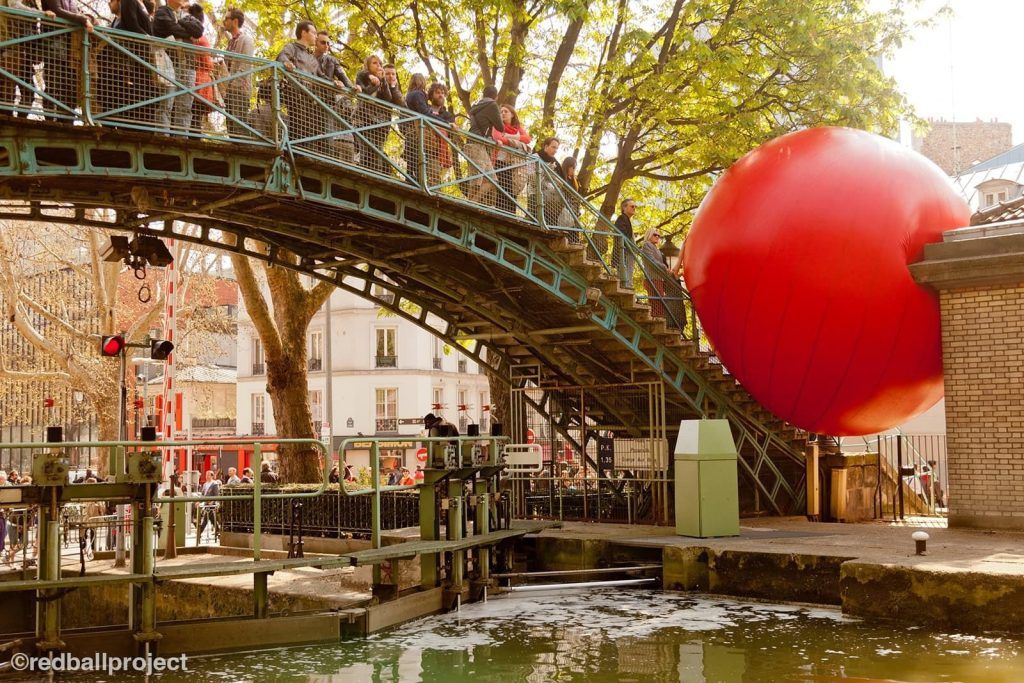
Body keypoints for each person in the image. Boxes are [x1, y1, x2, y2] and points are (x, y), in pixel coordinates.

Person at [152, 0, 203, 131]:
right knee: (166, 104)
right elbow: (171, 28)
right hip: (169, 65)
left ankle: (182, 141)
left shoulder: (186, 15)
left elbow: (199, 30)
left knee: (185, 107)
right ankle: (163, 141)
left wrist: (181, 22)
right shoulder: (162, 12)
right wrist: (188, 31)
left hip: (188, 66)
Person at [40, 0, 93, 120]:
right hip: (54, 44)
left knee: (70, 86)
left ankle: (66, 118)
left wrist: (89, 18)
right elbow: (58, 11)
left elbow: (76, 12)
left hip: (70, 50)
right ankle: (48, 119)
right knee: (54, 83)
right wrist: (83, 19)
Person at [0, 0, 54, 116]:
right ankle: (7, 118)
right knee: (8, 87)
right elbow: (14, 6)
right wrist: (40, 13)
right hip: (8, 45)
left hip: (19, 47)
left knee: (26, 89)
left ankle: (16, 119)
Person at [277, 20, 321, 152]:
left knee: (310, 130)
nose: (316, 36)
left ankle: (305, 153)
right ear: (303, 33)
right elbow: (281, 56)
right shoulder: (292, 47)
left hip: (311, 99)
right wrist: (286, 62)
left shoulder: (312, 57)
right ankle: (293, 152)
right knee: (298, 128)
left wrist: (337, 82)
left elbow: (321, 76)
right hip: (296, 95)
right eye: (313, 32)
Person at [355, 55, 403, 175]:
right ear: (368, 65)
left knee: (376, 154)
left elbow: (388, 98)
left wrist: (382, 81)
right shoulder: (362, 76)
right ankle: (363, 176)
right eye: (374, 63)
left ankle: (375, 176)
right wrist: (374, 83)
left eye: (379, 64)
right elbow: (365, 93)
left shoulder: (382, 81)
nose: (378, 66)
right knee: (364, 151)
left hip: (379, 124)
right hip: (363, 119)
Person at [466, 84, 503, 204]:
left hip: (475, 143)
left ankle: (472, 203)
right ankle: (470, 204)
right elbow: (500, 127)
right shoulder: (492, 105)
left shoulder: (476, 106)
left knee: (491, 180)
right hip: (476, 145)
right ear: (496, 96)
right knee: (476, 180)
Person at [492, 104, 531, 214]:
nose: (503, 113)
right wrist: (517, 142)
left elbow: (527, 139)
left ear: (512, 115)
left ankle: (510, 214)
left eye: (506, 111)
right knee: (501, 188)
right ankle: (500, 214)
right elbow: (498, 138)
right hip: (500, 161)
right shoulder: (498, 125)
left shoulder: (518, 129)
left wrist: (509, 137)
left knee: (512, 189)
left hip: (515, 164)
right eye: (501, 111)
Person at [219, 7, 253, 137]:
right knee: (231, 128)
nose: (224, 21)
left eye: (226, 18)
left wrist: (232, 84)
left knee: (239, 125)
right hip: (230, 90)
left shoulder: (246, 40)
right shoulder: (230, 42)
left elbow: (245, 67)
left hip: (240, 90)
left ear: (235, 21)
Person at [187, 4, 216, 133]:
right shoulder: (202, 40)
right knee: (196, 120)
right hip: (201, 83)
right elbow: (208, 64)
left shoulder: (188, 37)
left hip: (193, 80)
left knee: (191, 117)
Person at [532, 136, 564, 225]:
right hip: (535, 194)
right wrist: (545, 173)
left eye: (557, 148)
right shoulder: (534, 157)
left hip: (552, 199)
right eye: (553, 147)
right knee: (535, 221)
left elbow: (561, 182)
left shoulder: (556, 163)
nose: (555, 150)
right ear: (546, 147)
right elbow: (530, 177)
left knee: (551, 223)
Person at [640, 228, 668, 318]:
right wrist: (665, 268)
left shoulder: (656, 248)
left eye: (658, 236)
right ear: (649, 235)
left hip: (658, 279)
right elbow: (651, 261)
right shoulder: (647, 245)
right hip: (652, 279)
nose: (657, 237)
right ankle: (657, 321)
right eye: (655, 235)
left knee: (659, 302)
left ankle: (658, 320)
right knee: (656, 302)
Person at [660, 239, 687, 334]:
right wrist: (683, 246)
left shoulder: (664, 276)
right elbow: (679, 260)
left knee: (674, 326)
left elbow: (678, 275)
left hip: (672, 305)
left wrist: (683, 273)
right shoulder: (670, 274)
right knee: (677, 326)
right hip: (676, 305)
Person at [614, 198, 637, 289]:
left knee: (629, 275)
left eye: (635, 206)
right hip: (625, 253)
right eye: (632, 206)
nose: (634, 208)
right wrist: (631, 247)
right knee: (625, 277)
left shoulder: (626, 219)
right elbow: (622, 235)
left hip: (627, 253)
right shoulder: (622, 218)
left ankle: (627, 287)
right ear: (624, 208)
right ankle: (626, 288)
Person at [559, 157, 582, 235]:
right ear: (567, 166)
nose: (574, 170)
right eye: (573, 167)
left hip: (572, 207)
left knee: (575, 226)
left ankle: (574, 241)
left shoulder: (574, 180)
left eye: (575, 168)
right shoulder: (561, 176)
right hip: (562, 205)